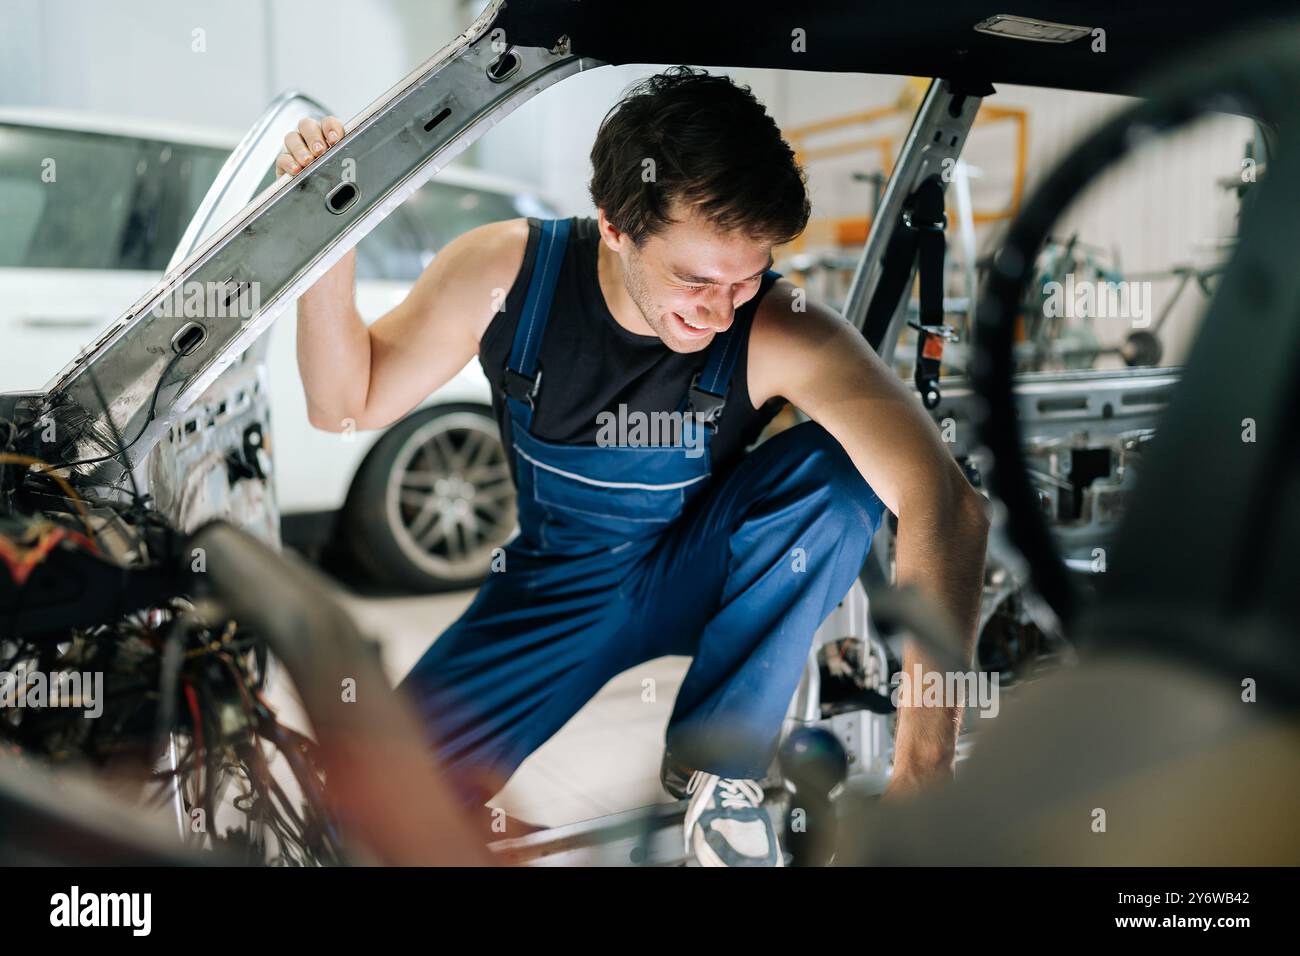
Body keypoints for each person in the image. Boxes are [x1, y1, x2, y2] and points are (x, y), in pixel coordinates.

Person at [281, 66, 989, 867]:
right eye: (694, 278)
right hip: (554, 591)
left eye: (745, 277)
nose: (721, 310)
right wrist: (325, 240)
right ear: (615, 225)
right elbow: (344, 403)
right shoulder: (507, 276)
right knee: (366, 813)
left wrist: (923, 775)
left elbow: (947, 507)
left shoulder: (777, 325)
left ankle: (719, 772)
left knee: (842, 474)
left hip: (705, 572)